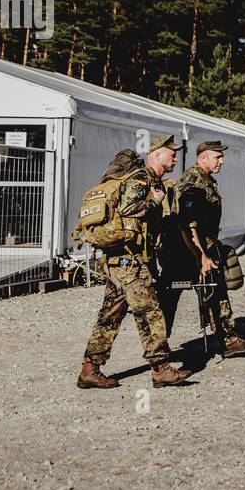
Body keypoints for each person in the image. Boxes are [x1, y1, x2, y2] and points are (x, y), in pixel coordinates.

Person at [77, 135, 192, 389]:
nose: (175, 157)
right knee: (150, 312)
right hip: (130, 261)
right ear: (156, 155)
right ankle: (160, 368)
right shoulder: (142, 178)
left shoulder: (151, 180)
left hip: (122, 260)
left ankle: (89, 370)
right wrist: (155, 200)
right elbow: (128, 208)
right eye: (170, 153)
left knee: (110, 315)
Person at [159, 140, 245, 357]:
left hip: (202, 248)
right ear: (202, 158)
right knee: (170, 297)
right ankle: (158, 346)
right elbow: (188, 223)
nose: (221, 161)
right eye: (217, 157)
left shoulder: (207, 181)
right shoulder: (192, 183)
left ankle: (228, 340)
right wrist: (202, 256)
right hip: (186, 251)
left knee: (216, 291)